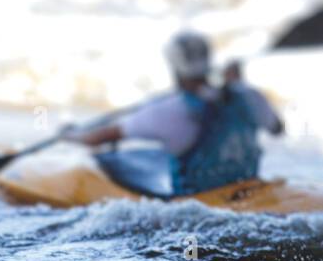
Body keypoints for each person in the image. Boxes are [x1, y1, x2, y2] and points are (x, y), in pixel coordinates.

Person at [71, 31, 284, 196]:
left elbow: (101, 137)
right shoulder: (247, 95)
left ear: (174, 66)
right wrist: (238, 84)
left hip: (199, 205)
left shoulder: (168, 110)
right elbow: (277, 129)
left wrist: (72, 135)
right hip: (249, 193)